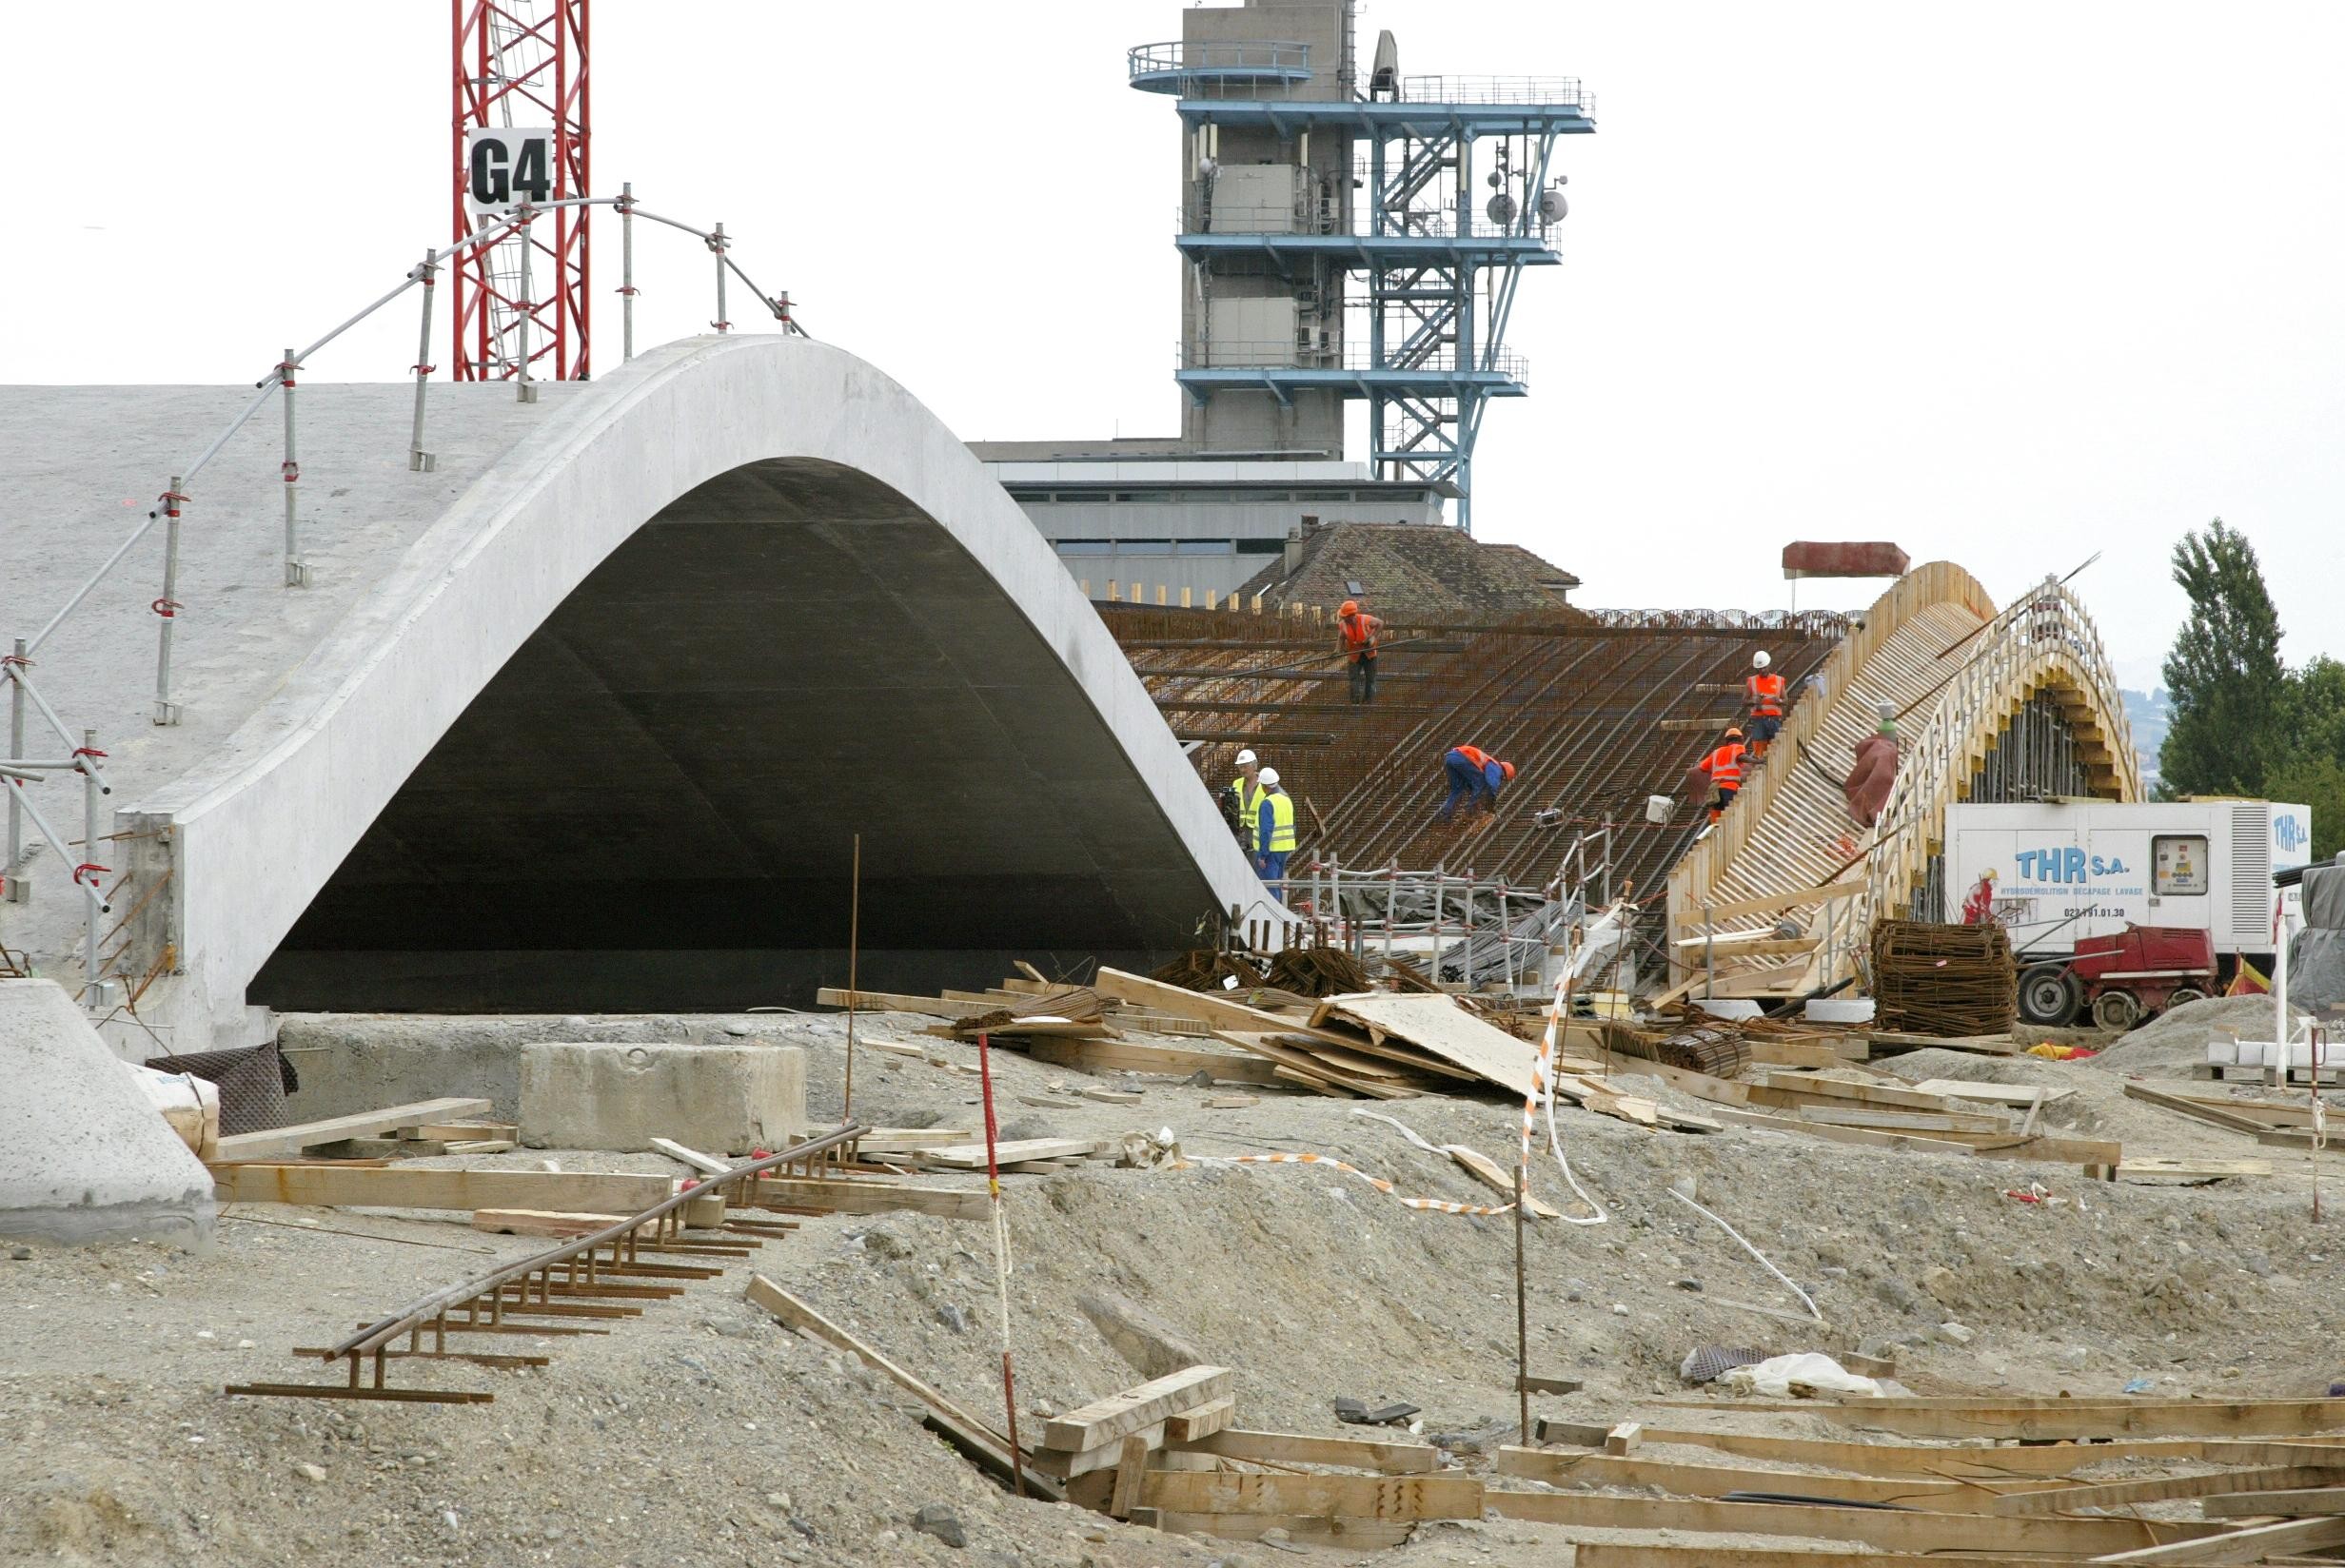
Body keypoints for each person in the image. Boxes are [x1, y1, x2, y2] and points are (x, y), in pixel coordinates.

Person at [1433, 744, 1513, 824]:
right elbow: (1491, 785)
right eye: (1502, 778)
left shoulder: (1487, 763)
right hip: (1462, 758)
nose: (1500, 779)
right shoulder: (1496, 767)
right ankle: (1471, 812)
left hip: (1450, 758)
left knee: (1457, 789)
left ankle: (1445, 815)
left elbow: (1472, 784)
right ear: (1504, 772)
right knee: (1481, 783)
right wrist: (1490, 806)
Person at [1254, 766, 1297, 902]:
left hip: (1270, 852)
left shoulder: (1268, 803)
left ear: (1264, 786)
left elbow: (1266, 831)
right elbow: (1293, 824)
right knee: (1277, 884)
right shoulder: (1286, 799)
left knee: (1269, 888)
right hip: (1284, 850)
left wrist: (1262, 855)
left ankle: (1272, 918)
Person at [1694, 726, 1746, 826]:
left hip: (1715, 790)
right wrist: (1757, 761)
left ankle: (1715, 834)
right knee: (1730, 817)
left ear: (1727, 740)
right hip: (1730, 788)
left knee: (1716, 819)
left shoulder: (1717, 752)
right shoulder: (1738, 747)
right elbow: (1741, 756)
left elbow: (1702, 767)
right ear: (1740, 739)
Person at [1338, 598, 1385, 704]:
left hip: (1370, 654)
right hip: (1354, 655)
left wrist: (1373, 637)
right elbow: (1341, 638)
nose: (1344, 618)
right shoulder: (1343, 624)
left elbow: (1381, 623)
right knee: (1353, 679)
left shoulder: (1365, 619)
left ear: (1351, 616)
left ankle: (1368, 702)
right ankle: (1355, 702)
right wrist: (1337, 650)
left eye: (1345, 617)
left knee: (1370, 680)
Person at [1744, 650, 1787, 760]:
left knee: (1777, 749)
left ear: (1769, 665)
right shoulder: (1751, 681)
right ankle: (1760, 768)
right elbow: (1744, 701)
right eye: (1759, 669)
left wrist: (1779, 701)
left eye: (1764, 667)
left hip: (1774, 720)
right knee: (1760, 752)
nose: (1762, 670)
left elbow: (1786, 700)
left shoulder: (1779, 680)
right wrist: (1755, 701)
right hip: (1759, 720)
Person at [1225, 749, 1266, 853]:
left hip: (1259, 833)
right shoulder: (1236, 783)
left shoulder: (1265, 784)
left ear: (1254, 766)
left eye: (1245, 766)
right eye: (1240, 767)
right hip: (1242, 835)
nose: (1242, 770)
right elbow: (1231, 808)